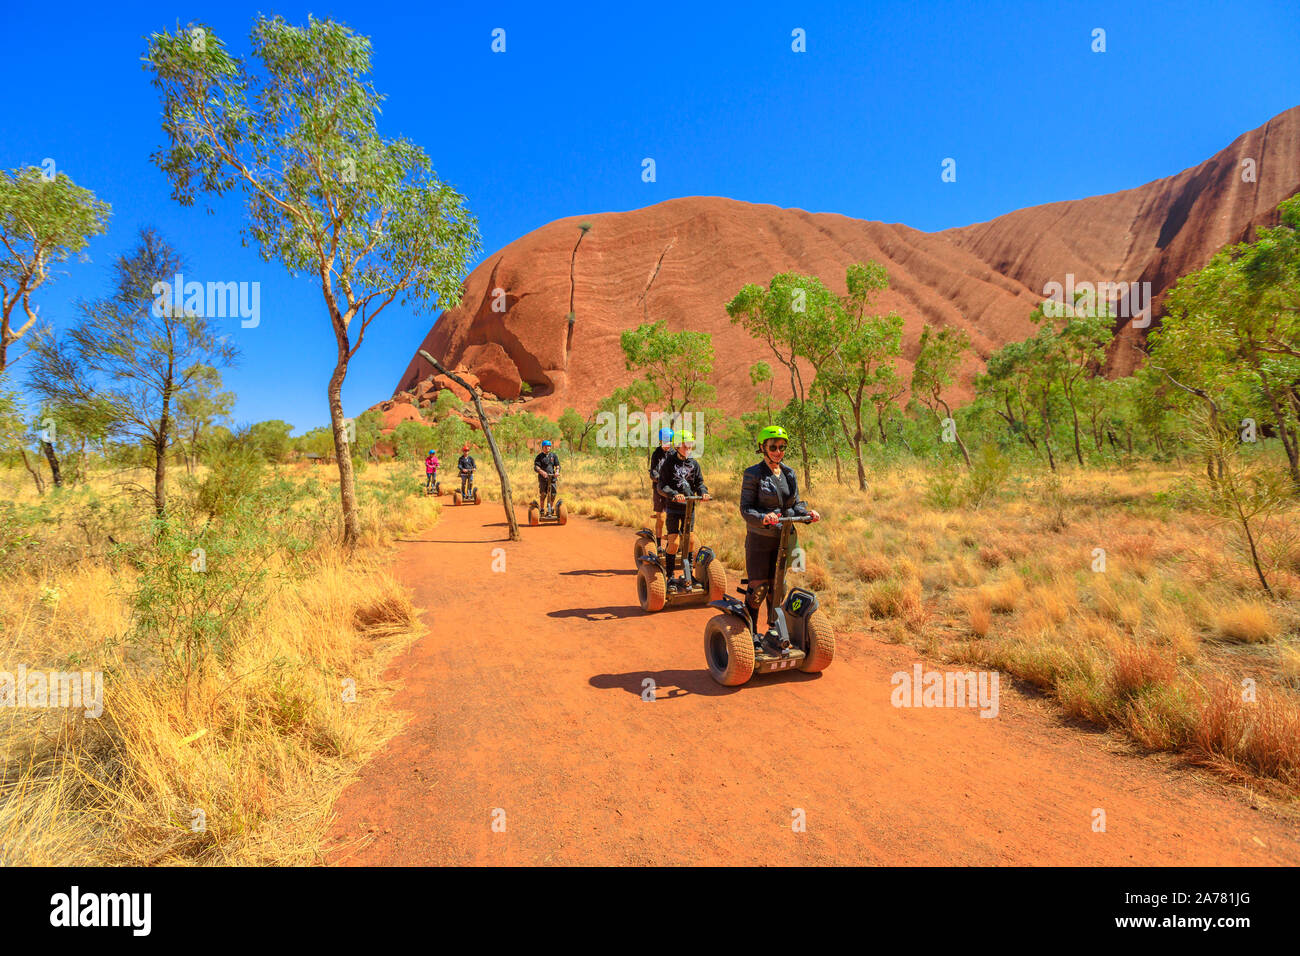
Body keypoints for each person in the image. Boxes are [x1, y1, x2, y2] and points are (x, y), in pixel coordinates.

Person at [739, 425, 820, 648]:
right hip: (759, 538)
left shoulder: (789, 473)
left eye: (782, 447)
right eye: (773, 447)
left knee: (778, 587)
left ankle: (774, 629)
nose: (778, 451)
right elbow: (746, 509)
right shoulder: (753, 473)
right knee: (758, 588)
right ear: (763, 448)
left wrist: (807, 513)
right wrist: (764, 517)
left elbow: (793, 505)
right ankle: (751, 632)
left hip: (783, 538)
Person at [655, 430, 710, 588]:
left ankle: (689, 576)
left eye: (691, 445)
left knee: (691, 541)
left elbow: (699, 482)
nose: (689, 448)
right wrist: (673, 494)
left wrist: (703, 493)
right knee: (674, 543)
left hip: (689, 508)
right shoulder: (669, 463)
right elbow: (661, 485)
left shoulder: (694, 464)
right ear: (678, 445)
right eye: (686, 445)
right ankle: (670, 576)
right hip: (673, 508)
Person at [648, 427, 674, 548]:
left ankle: (671, 544)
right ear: (660, 441)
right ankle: (659, 545)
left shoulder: (674, 454)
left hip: (671, 491)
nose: (667, 445)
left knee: (671, 518)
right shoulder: (656, 454)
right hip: (659, 490)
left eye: (669, 442)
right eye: (664, 442)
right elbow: (653, 472)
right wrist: (659, 479)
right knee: (661, 518)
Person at [533, 439, 560, 512]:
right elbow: (536, 467)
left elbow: (557, 465)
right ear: (543, 447)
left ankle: (551, 508)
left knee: (553, 494)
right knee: (543, 494)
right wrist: (542, 472)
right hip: (543, 479)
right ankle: (542, 509)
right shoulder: (539, 456)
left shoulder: (553, 456)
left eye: (549, 446)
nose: (548, 448)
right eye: (546, 446)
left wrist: (557, 472)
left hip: (552, 478)